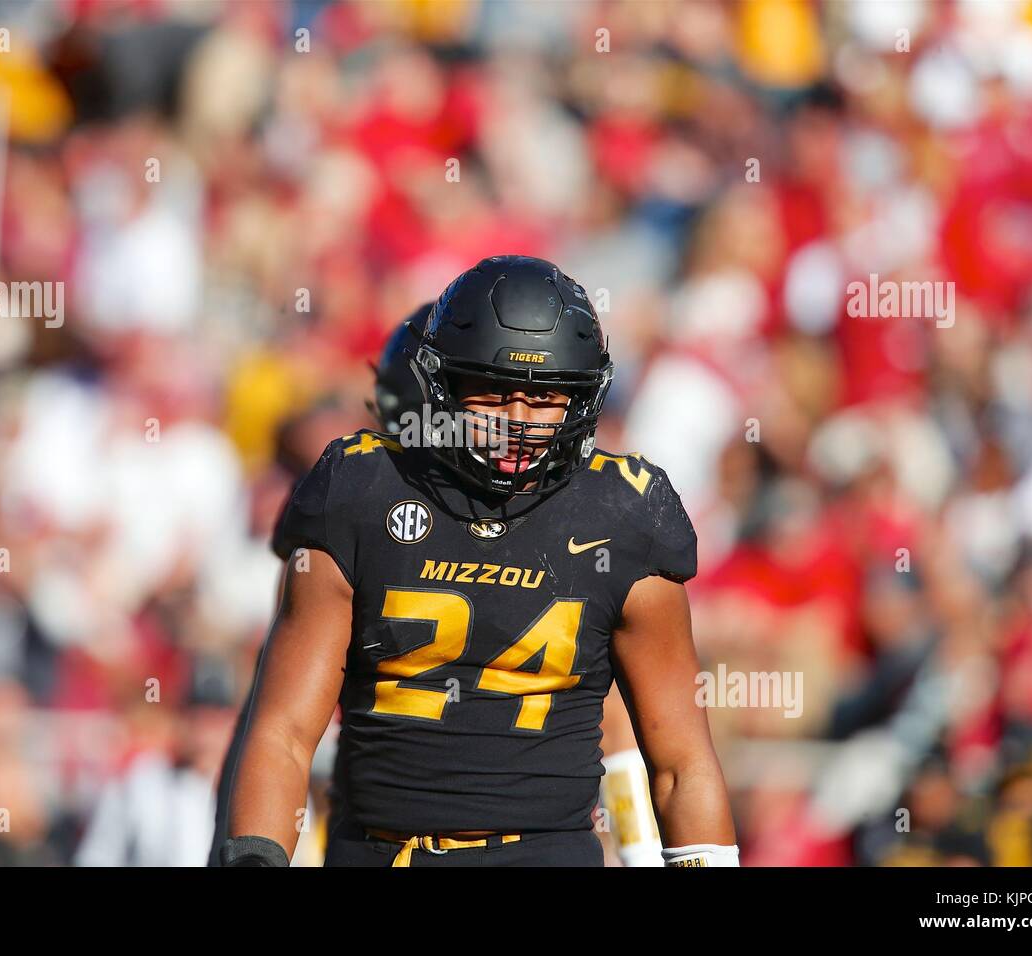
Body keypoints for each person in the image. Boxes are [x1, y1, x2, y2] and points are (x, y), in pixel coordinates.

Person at [224, 256, 737, 867]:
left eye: (544, 397)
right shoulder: (361, 489)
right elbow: (283, 731)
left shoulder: (622, 514)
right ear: (439, 387)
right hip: (379, 850)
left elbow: (680, 761)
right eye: (493, 393)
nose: (516, 423)